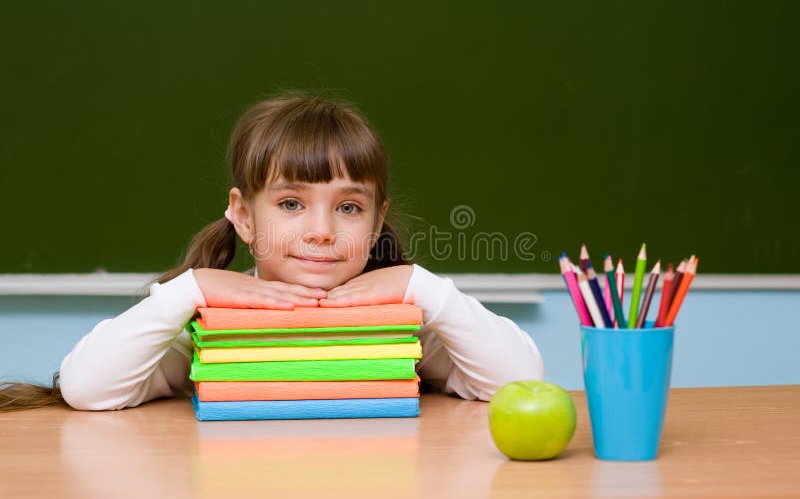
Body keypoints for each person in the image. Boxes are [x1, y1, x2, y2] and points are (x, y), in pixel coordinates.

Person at [1, 92, 543, 413]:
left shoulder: (404, 323)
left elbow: (522, 384)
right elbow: (84, 388)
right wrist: (192, 289)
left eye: (349, 209)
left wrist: (426, 288)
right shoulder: (207, 322)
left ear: (378, 220)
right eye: (291, 203)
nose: (322, 231)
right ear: (242, 215)